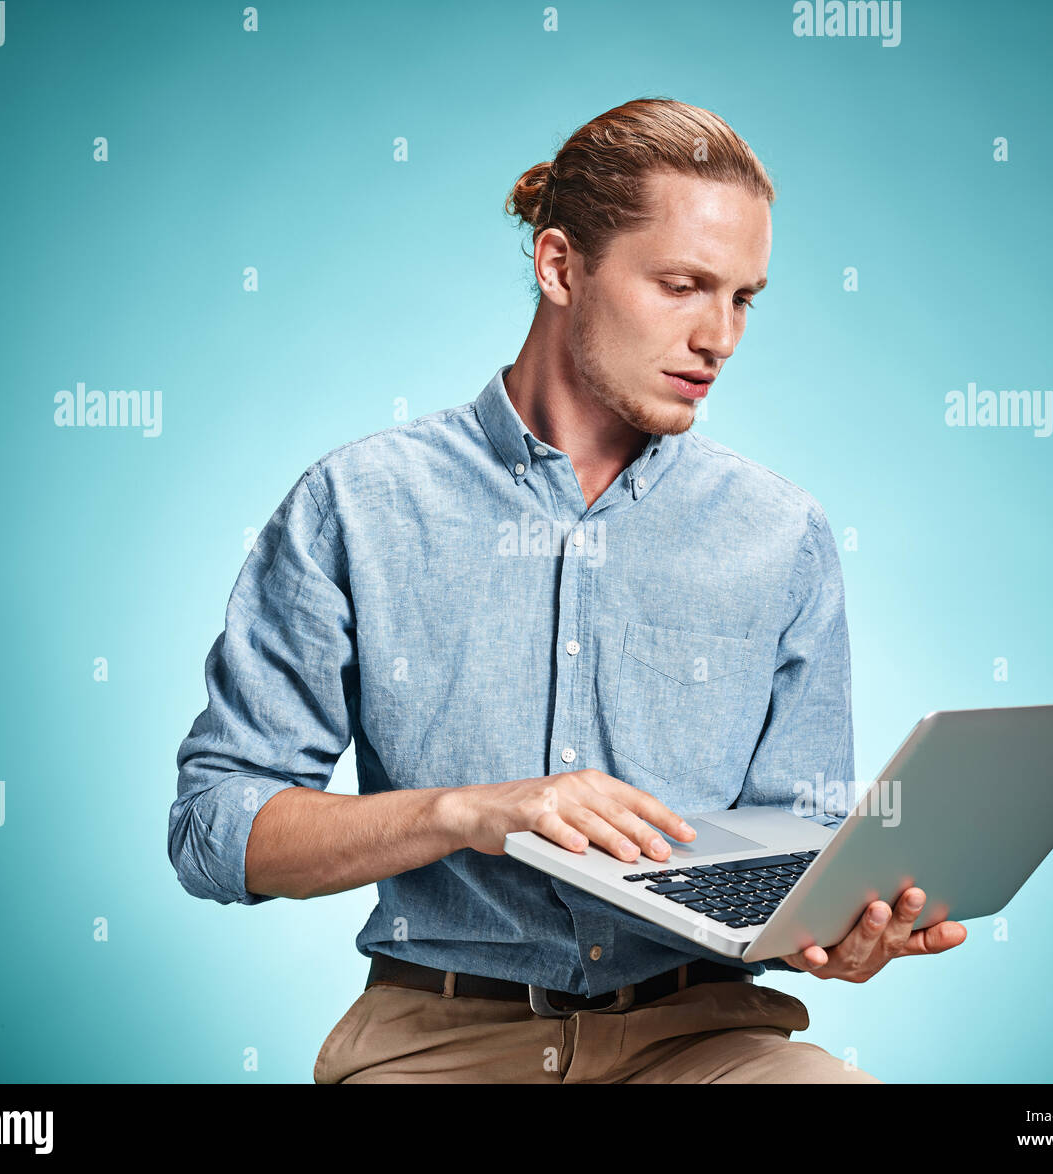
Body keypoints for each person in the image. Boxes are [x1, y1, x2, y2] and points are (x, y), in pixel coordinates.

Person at [168, 96, 966, 1084]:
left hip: (706, 1037)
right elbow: (214, 828)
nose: (719, 336)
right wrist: (465, 811)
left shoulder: (781, 534)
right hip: (441, 1042)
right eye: (682, 286)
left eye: (743, 297)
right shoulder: (359, 504)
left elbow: (790, 848)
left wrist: (838, 933)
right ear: (559, 267)